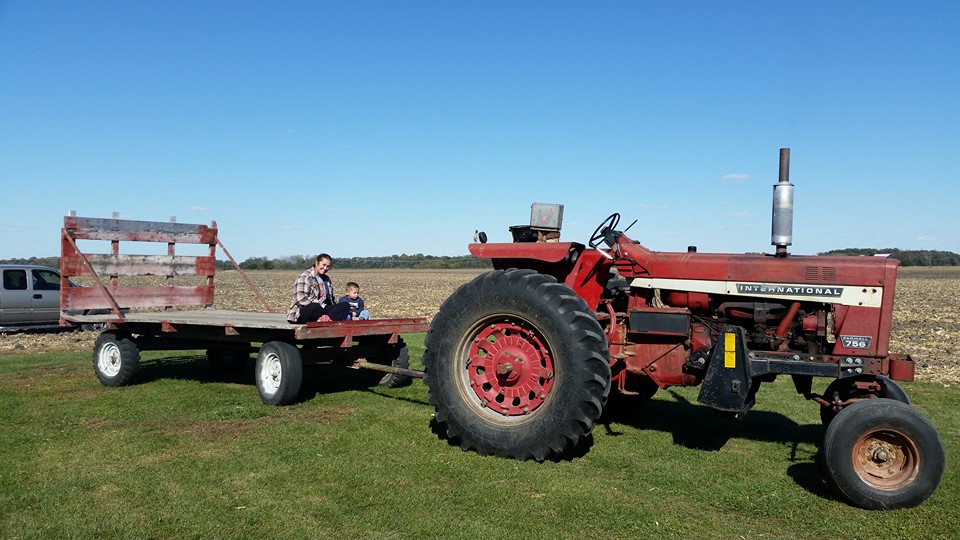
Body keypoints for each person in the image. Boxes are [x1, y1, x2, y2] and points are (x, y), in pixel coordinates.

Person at [286, 254, 352, 323]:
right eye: (323, 265)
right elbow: (300, 299)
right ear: (317, 263)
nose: (325, 268)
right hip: (306, 311)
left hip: (324, 309)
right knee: (314, 307)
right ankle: (328, 318)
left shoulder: (326, 279)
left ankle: (326, 319)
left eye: (328, 266)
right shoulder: (305, 277)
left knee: (345, 305)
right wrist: (320, 306)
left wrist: (333, 308)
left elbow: (331, 300)